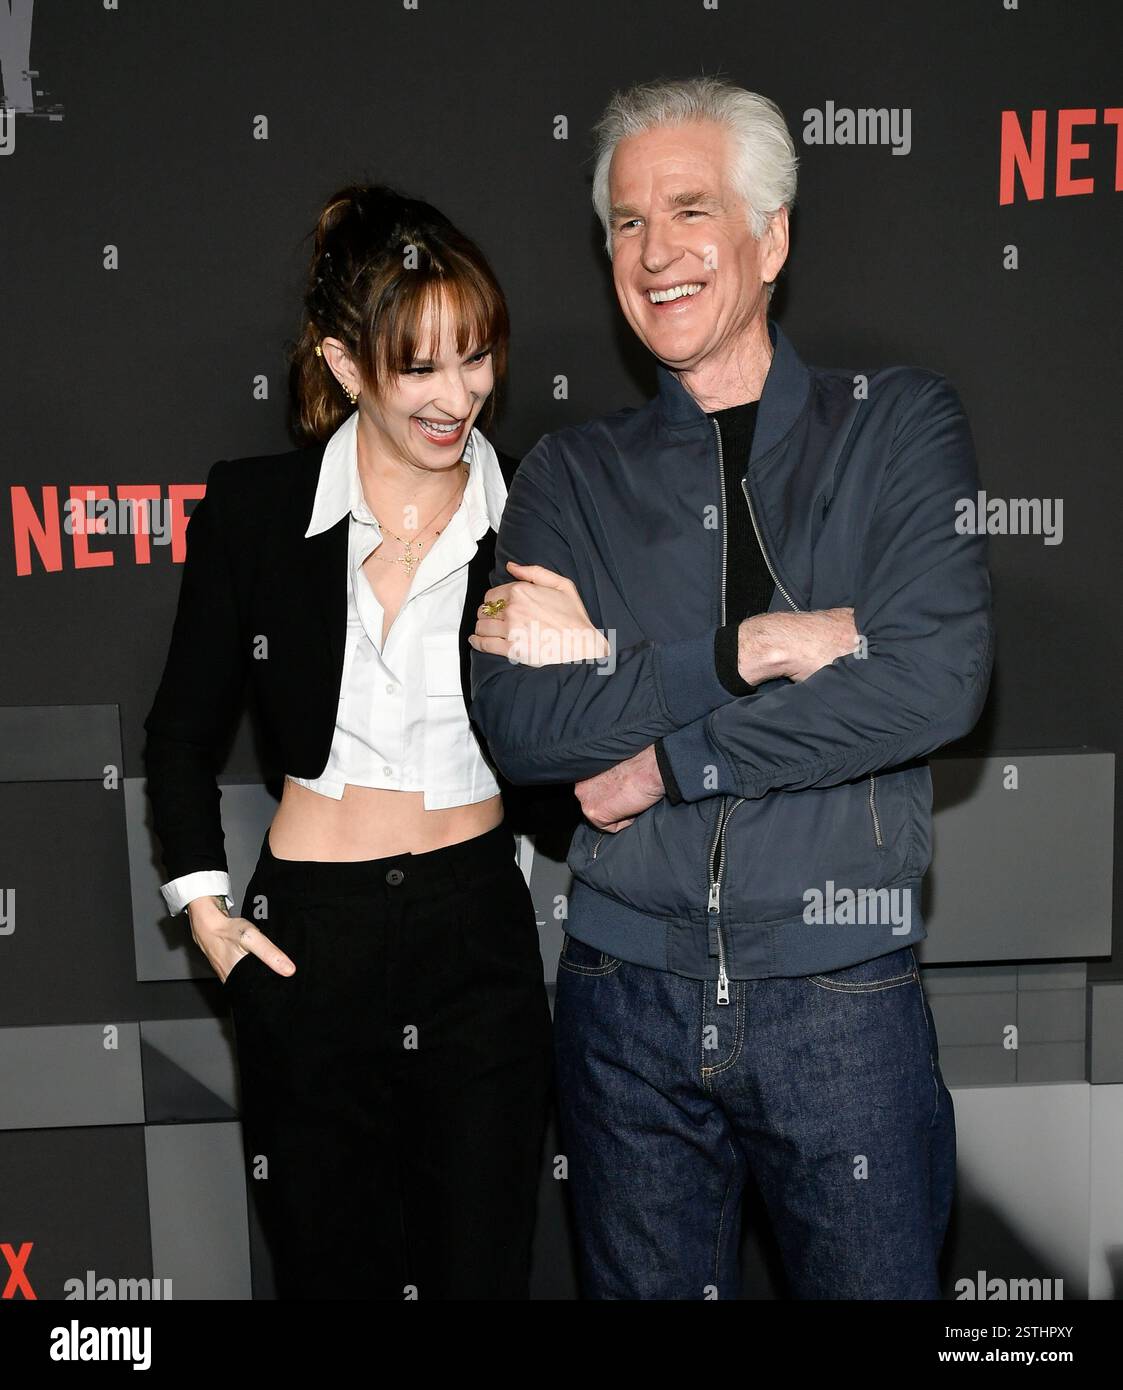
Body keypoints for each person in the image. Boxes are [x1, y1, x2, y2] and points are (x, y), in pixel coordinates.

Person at [468, 78, 994, 1299]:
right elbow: (521, 720)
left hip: (841, 998)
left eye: (689, 209)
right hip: (620, 1005)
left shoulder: (897, 427)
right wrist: (745, 651)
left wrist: (664, 754)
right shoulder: (565, 478)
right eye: (626, 224)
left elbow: (934, 680)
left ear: (771, 236)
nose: (654, 252)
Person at [142, 184, 596, 1300]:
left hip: (475, 939)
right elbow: (180, 732)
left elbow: (589, 739)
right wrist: (209, 922)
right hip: (308, 940)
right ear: (348, 367)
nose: (460, 396)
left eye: (478, 356)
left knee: (478, 1278)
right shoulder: (254, 512)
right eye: (421, 368)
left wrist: (589, 650)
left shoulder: (542, 511)